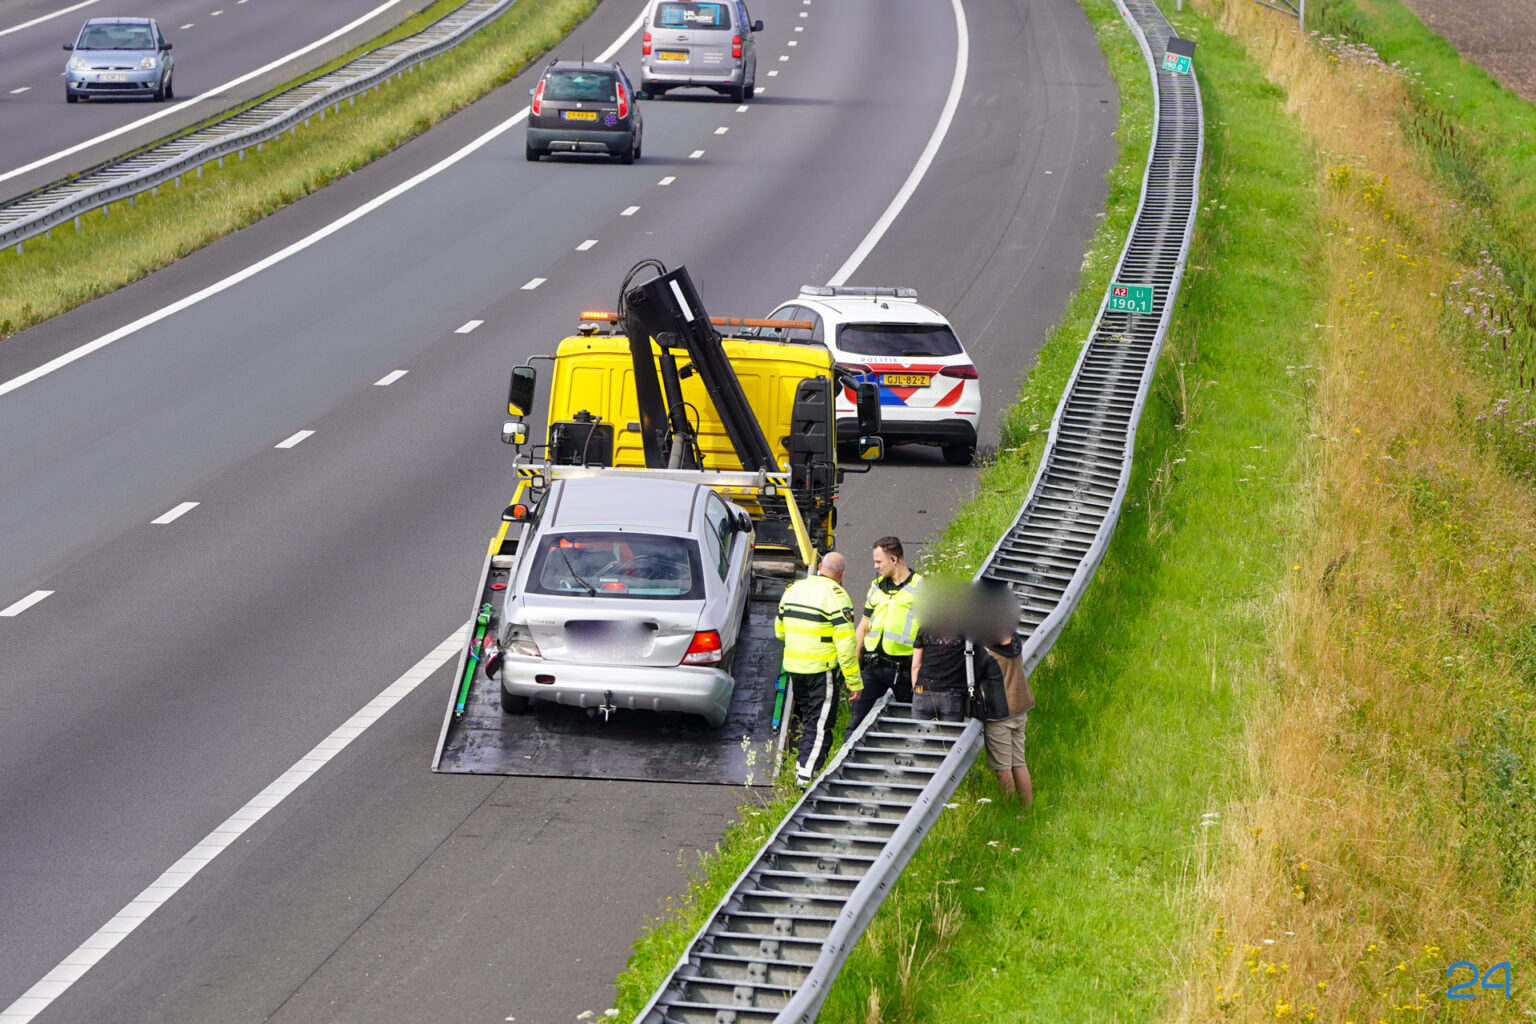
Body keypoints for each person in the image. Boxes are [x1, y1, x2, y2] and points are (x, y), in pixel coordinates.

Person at [775, 551, 863, 787]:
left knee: (808, 720)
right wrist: (854, 681)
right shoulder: (837, 596)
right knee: (820, 724)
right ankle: (804, 778)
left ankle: (801, 766)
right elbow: (846, 644)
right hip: (821, 669)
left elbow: (779, 630)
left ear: (821, 566)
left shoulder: (793, 590)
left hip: (795, 667)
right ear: (842, 574)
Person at [851, 536, 922, 727]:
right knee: (856, 721)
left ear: (894, 559)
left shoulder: (921, 588)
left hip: (904, 670)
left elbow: (930, 632)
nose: (875, 566)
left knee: (911, 724)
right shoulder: (876, 587)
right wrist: (852, 671)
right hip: (873, 667)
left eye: (878, 561)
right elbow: (863, 628)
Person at [975, 581, 1034, 806]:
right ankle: (1027, 809)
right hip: (1021, 706)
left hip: (1000, 712)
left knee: (1003, 768)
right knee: (1019, 762)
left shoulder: (986, 646)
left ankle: (1008, 809)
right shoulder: (1013, 634)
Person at [908, 591, 970, 722]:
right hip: (952, 694)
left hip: (923, 691)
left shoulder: (925, 628)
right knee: (949, 740)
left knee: (918, 739)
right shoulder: (965, 632)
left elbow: (915, 666)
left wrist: (917, 690)